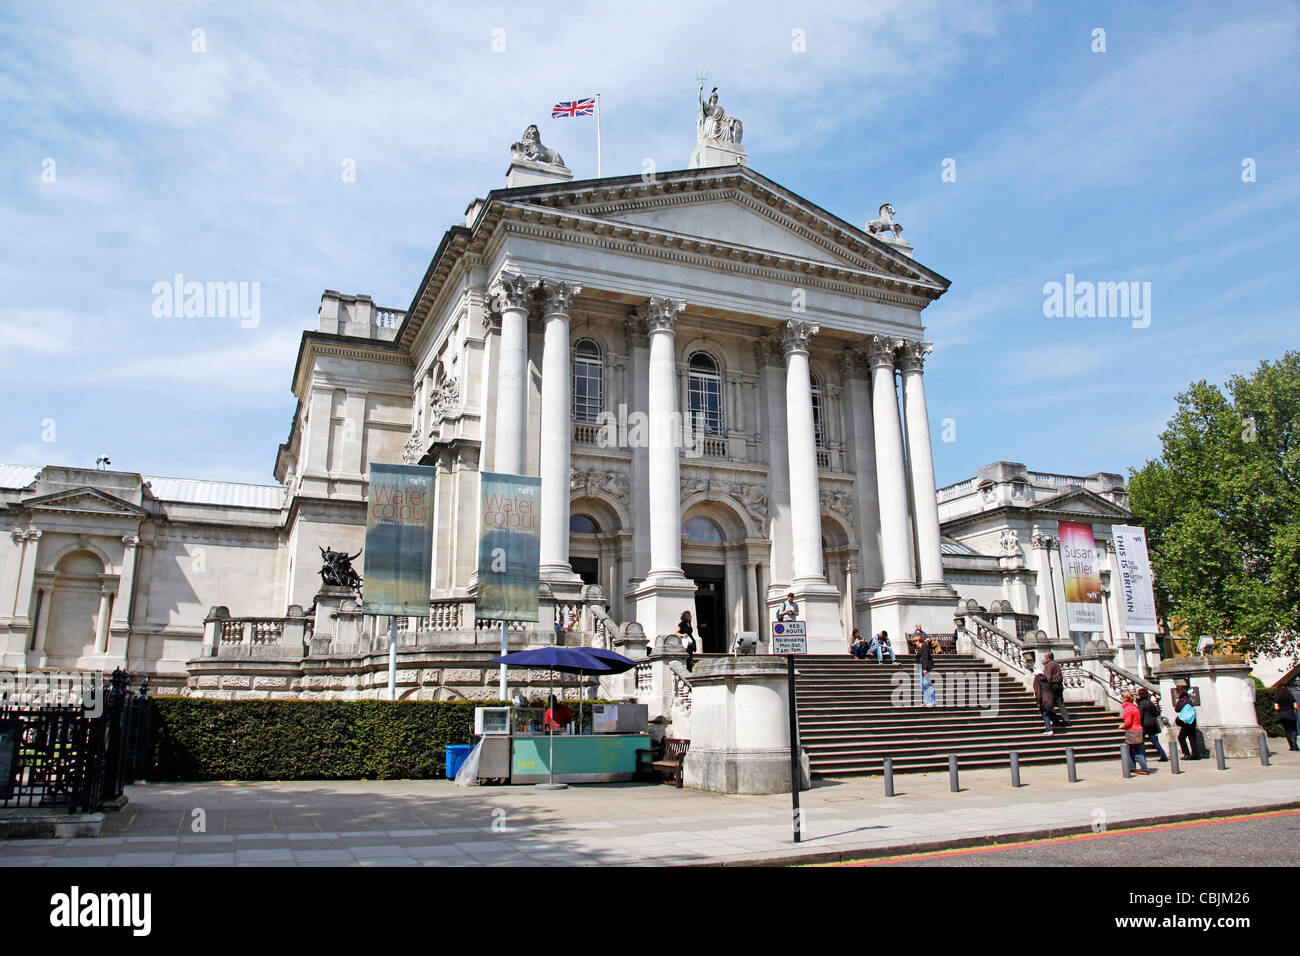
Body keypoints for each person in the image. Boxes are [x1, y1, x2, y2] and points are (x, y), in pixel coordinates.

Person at [1121, 691, 1151, 774]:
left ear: (1126, 699)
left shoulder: (1128, 709)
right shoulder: (1135, 707)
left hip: (1132, 731)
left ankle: (1144, 768)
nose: (1122, 699)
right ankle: (1132, 767)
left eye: (1123, 698)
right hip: (1138, 729)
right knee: (1130, 750)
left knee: (1137, 751)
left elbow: (1128, 722)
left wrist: (1122, 725)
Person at [1136, 687, 1168, 761]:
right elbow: (1156, 713)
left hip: (1144, 724)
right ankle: (1163, 755)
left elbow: (1140, 715)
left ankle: (1142, 757)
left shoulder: (1141, 703)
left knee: (1141, 741)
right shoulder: (1150, 703)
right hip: (1152, 724)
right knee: (1154, 740)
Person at [1042, 652, 1069, 728]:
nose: (1045, 659)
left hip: (1052, 686)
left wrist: (1046, 688)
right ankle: (1066, 719)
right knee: (1060, 703)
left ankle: (1055, 720)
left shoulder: (1048, 665)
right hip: (1059, 685)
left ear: (1048, 658)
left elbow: (1048, 677)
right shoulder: (1056, 664)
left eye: (1045, 657)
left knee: (1049, 704)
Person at [1174, 686, 1201, 759]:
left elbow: (1177, 709)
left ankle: (1187, 754)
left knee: (1181, 737)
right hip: (1192, 720)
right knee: (1192, 737)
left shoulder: (1182, 700)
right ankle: (1195, 754)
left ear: (1179, 692)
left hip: (1186, 722)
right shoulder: (1189, 699)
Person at [1274, 682, 1298, 751]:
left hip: (1282, 715)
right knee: (1293, 729)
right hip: (1290, 714)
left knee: (1287, 730)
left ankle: (1291, 745)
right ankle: (1294, 742)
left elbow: (1276, 708)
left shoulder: (1277, 697)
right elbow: (1295, 706)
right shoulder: (1290, 696)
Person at [914, 633, 936, 707]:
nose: (915, 643)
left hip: (925, 668)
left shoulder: (924, 648)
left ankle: (932, 701)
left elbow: (925, 658)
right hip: (921, 668)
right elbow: (918, 659)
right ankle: (926, 702)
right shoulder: (920, 649)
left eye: (916, 641)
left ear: (919, 641)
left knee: (926, 684)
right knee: (922, 685)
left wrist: (924, 669)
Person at [1033, 665, 1055, 735]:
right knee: (1048, 713)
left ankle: (1049, 729)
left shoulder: (1037, 681)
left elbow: (1038, 692)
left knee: (1045, 714)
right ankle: (1049, 724)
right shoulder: (1046, 679)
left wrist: (1038, 701)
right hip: (1050, 698)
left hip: (1044, 700)